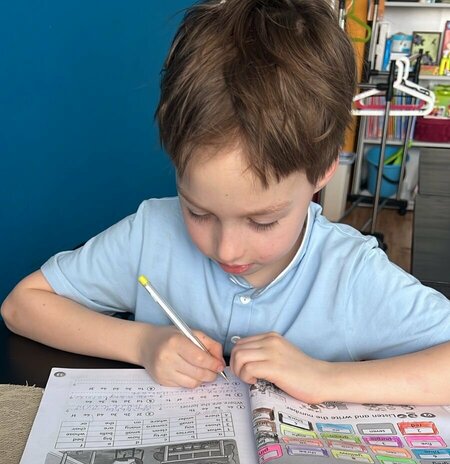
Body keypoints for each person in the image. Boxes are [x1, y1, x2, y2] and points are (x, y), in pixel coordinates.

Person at [2, 0, 450, 404]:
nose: (226, 249)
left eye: (263, 221)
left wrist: (325, 378)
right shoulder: (151, 235)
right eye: (197, 211)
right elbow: (22, 305)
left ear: (322, 172)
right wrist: (143, 343)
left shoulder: (349, 275)